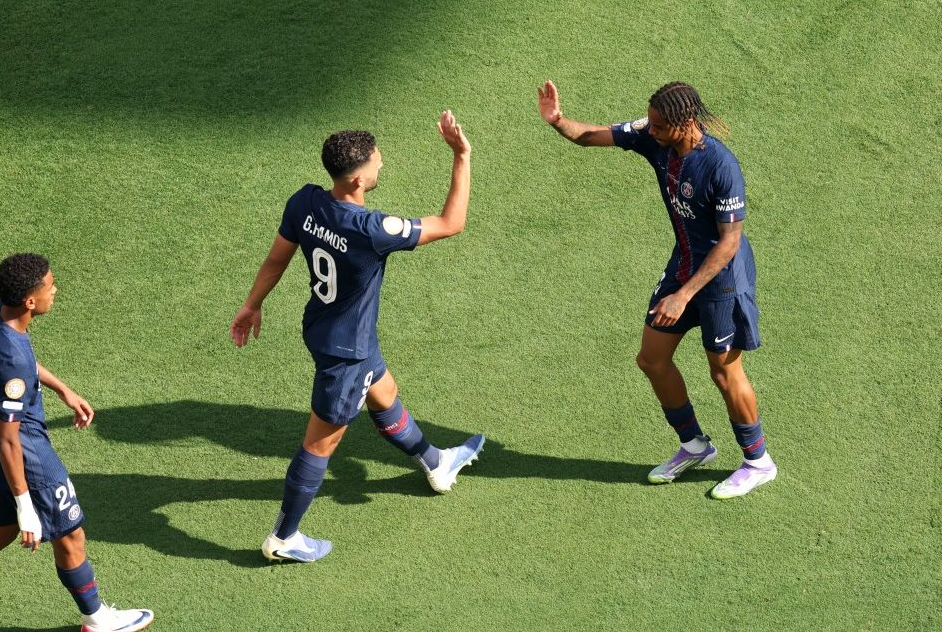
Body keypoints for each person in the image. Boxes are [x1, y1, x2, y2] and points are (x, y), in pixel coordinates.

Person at [230, 111, 485, 563]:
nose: (381, 165)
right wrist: (461, 156)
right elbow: (452, 222)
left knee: (384, 391)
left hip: (326, 329)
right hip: (345, 352)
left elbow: (276, 260)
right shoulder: (371, 231)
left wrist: (252, 304)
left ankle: (435, 463)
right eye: (375, 164)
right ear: (357, 181)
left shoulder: (305, 202)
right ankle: (284, 537)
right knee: (319, 443)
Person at [537, 80, 776, 498]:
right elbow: (591, 136)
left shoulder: (721, 167)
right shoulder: (657, 138)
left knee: (723, 370)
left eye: (661, 125)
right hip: (683, 267)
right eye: (651, 121)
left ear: (685, 123)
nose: (651, 130)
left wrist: (684, 295)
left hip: (723, 280)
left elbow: (730, 241)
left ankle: (758, 462)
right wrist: (558, 120)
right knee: (652, 359)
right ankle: (694, 445)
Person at [0, 253, 153, 632]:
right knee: (71, 534)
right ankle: (97, 619)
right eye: (50, 285)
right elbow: (9, 437)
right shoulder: (10, 362)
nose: (55, 290)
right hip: (27, 458)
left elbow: (22, 361)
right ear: (29, 301)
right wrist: (26, 506)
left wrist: (62, 389)